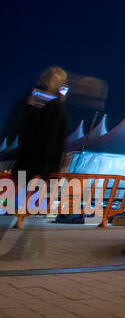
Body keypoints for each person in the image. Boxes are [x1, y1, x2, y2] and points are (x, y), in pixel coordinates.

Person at [8, 67, 70, 226]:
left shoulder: (32, 101)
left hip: (27, 156)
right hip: (42, 160)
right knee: (31, 188)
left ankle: (19, 213)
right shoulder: (56, 107)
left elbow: (21, 128)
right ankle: (21, 214)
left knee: (23, 187)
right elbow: (55, 137)